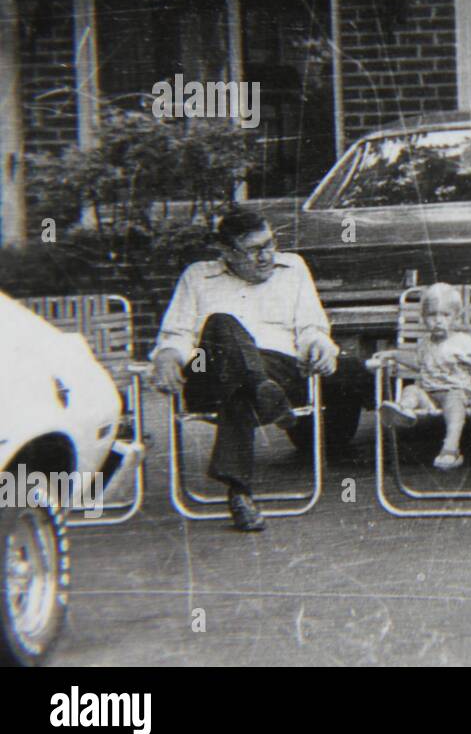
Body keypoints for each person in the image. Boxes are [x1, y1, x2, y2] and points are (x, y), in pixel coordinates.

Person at [150, 206, 369, 531]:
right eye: (253, 250)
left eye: (269, 244)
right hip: (209, 369)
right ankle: (261, 389)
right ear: (225, 251)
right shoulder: (198, 276)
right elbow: (177, 335)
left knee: (241, 391)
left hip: (279, 370)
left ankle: (239, 491)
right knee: (221, 323)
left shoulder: (293, 268)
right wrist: (167, 354)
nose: (266, 255)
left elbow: (311, 327)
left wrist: (320, 346)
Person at [375, 282, 471, 470]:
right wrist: (394, 354)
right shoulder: (424, 343)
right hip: (429, 396)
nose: (438, 320)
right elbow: (418, 363)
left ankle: (450, 448)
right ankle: (404, 411)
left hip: (456, 393)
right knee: (411, 389)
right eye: (432, 315)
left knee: (454, 403)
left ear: (456, 318)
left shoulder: (463, 342)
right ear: (423, 318)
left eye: (445, 315)